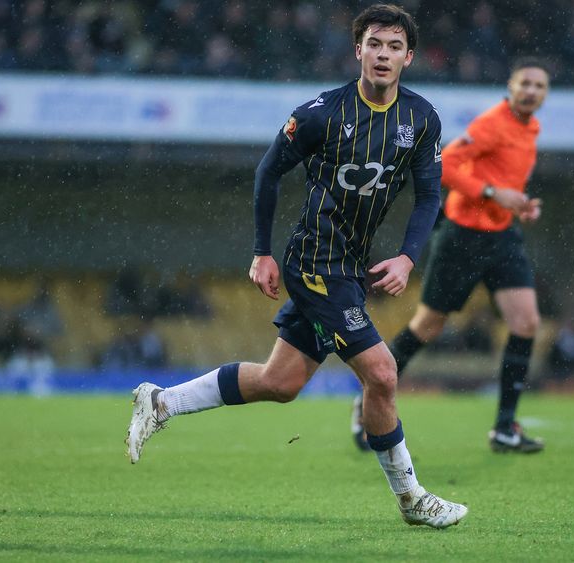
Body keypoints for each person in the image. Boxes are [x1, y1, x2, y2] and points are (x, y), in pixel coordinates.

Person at [126, 4, 467, 529]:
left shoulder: (422, 120)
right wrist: (262, 252)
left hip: (350, 265)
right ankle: (412, 498)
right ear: (358, 50)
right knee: (382, 372)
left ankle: (161, 402)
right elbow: (268, 173)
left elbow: (428, 197)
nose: (382, 54)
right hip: (314, 263)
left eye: (394, 47)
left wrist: (407, 256)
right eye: (374, 44)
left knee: (279, 382)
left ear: (409, 57)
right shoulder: (320, 113)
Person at [351, 57, 550, 454]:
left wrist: (519, 205)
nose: (531, 91)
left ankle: (504, 428)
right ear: (509, 86)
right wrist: (493, 194)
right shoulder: (491, 124)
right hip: (462, 236)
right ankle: (365, 403)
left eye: (539, 86)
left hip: (502, 235)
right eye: (524, 82)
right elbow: (446, 166)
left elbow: (504, 179)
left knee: (526, 322)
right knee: (428, 326)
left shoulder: (532, 127)